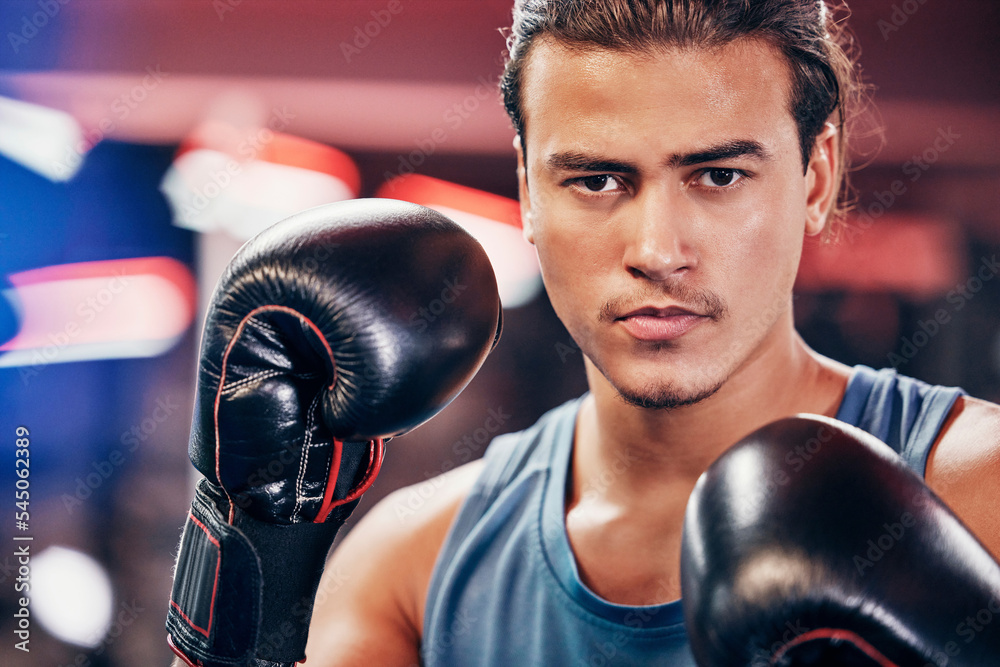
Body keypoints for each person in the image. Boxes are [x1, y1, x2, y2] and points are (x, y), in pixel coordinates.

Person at [301, 1, 1000, 665]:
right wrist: (245, 552)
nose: (658, 251)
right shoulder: (407, 570)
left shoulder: (981, 494)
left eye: (718, 175)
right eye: (598, 181)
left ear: (816, 179)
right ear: (526, 190)